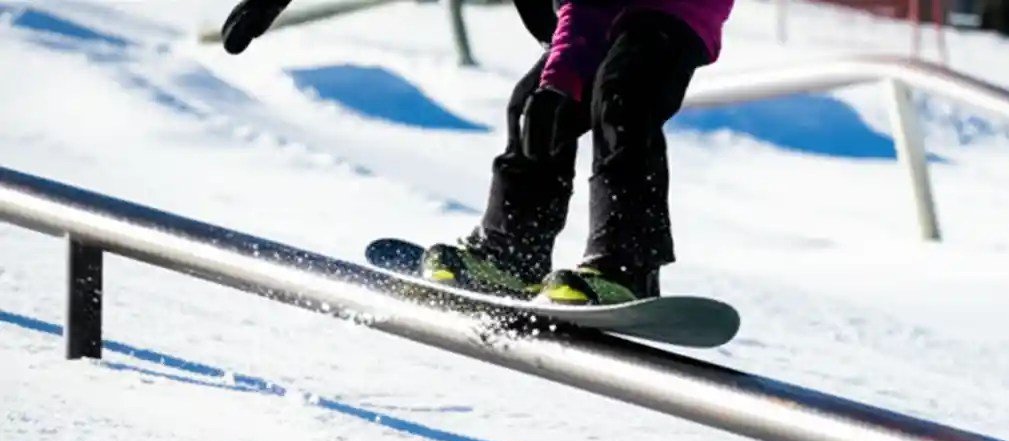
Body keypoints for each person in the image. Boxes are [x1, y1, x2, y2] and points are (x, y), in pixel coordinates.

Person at [221, 0, 735, 305]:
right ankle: (513, 253)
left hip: (674, 7)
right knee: (535, 104)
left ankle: (629, 268)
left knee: (624, 94)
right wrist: (556, 84)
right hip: (594, 10)